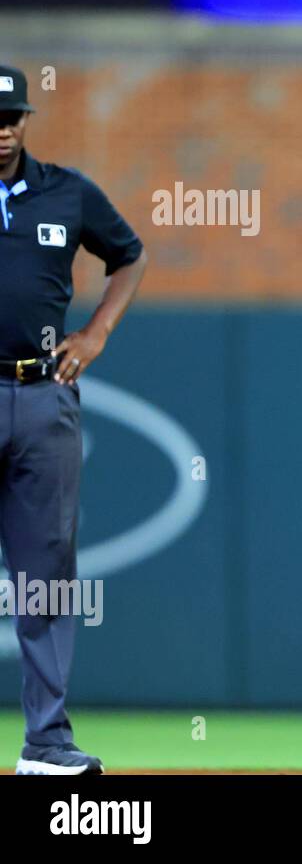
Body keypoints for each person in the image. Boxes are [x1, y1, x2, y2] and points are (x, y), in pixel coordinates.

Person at [0, 64, 148, 774]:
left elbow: (128, 254)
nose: (1, 131)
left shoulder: (68, 190)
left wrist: (96, 335)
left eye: (11, 117)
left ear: (26, 119)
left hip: (41, 394)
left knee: (47, 573)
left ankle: (47, 746)